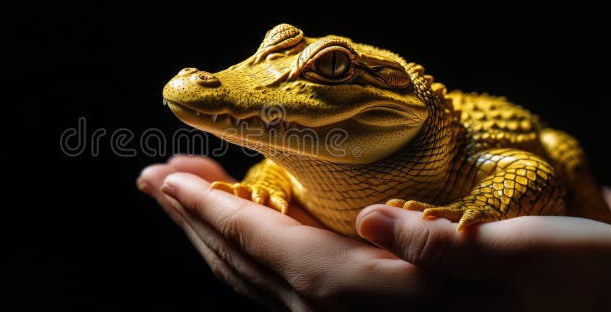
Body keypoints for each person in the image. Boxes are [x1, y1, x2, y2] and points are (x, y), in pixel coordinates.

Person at [137, 155, 611, 311]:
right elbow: (273, 165)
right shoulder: (301, 152)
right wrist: (262, 186)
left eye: (335, 66)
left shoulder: (462, 153)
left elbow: (534, 170)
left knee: (560, 150)